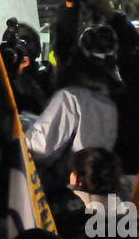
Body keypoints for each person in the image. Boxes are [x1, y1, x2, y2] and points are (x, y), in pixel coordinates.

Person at [27, 26, 121, 183]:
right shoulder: (110, 106)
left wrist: (20, 129)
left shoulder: (70, 98)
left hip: (67, 189)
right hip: (98, 188)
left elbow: (40, 146)